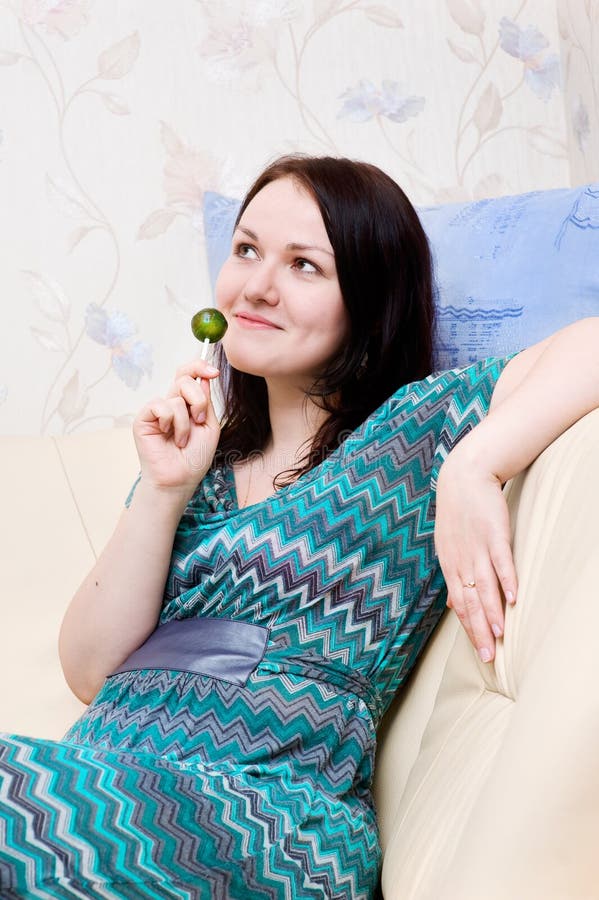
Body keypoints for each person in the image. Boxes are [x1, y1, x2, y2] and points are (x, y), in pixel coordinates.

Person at [1, 155, 598, 900]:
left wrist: (472, 466)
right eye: (246, 249)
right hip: (103, 800)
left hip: (265, 817)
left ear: (368, 298)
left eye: (303, 265)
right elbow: (90, 672)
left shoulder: (408, 430)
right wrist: (162, 490)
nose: (255, 284)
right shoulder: (202, 463)